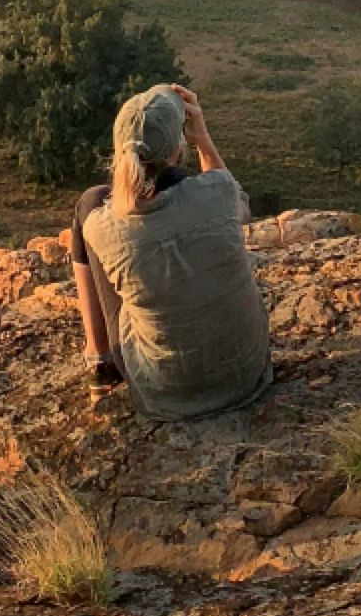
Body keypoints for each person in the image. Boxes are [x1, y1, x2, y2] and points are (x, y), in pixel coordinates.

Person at [69, 84, 270, 419]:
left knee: (90, 199)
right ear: (177, 147)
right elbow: (241, 211)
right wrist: (203, 139)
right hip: (246, 377)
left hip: (164, 394)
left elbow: (120, 204)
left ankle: (99, 359)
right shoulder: (218, 193)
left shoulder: (101, 226)